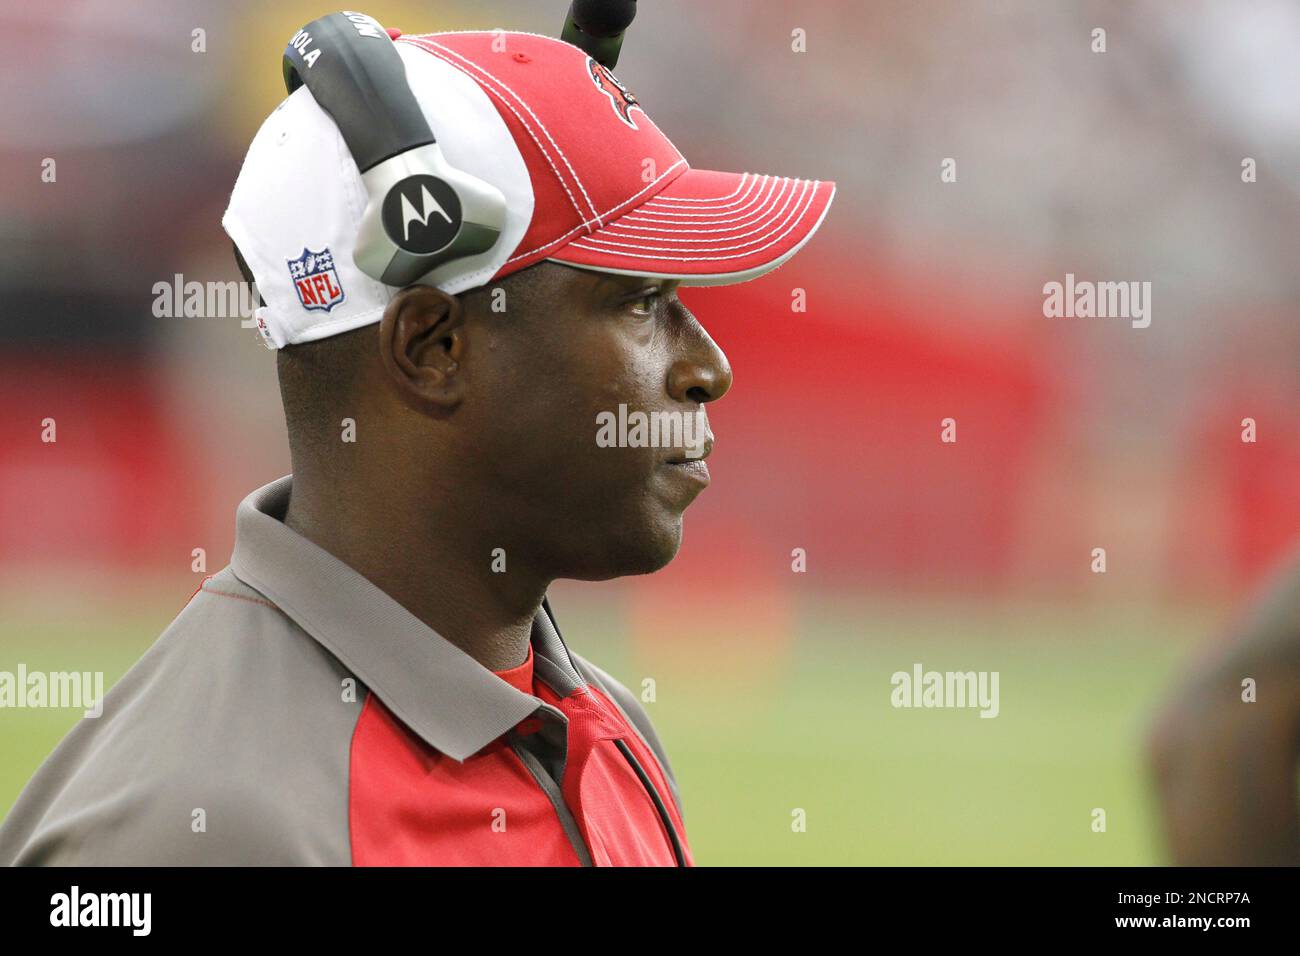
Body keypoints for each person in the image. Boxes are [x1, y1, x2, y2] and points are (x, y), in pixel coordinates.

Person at [0, 27, 834, 865]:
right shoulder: (200, 826)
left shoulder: (602, 724)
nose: (708, 367)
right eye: (641, 301)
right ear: (433, 349)